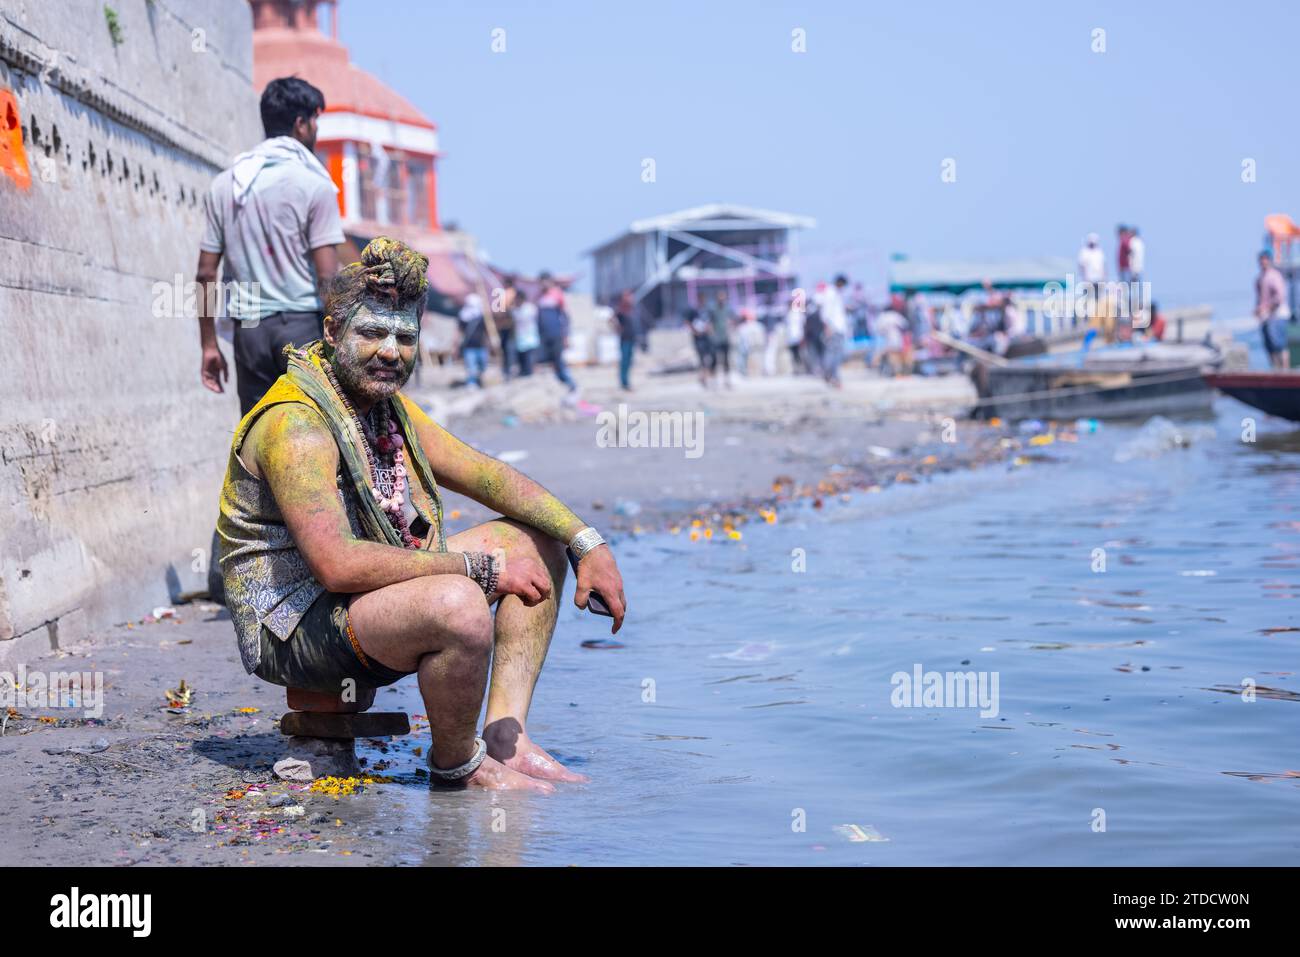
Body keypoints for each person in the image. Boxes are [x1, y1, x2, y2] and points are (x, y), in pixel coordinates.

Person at [217, 238, 627, 792]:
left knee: (535, 544)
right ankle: (457, 762)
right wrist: (478, 573)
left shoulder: (383, 405)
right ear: (333, 332)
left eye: (404, 337)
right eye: (371, 333)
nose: (391, 351)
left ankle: (509, 738)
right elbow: (337, 565)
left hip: (356, 604)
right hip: (293, 627)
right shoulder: (296, 424)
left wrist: (586, 542)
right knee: (459, 605)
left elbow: (485, 474)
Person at [196, 77, 343, 416]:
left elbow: (205, 274)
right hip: (303, 329)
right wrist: (340, 340)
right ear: (301, 124)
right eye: (315, 120)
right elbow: (327, 278)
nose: (317, 129)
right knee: (320, 433)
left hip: (250, 336)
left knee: (259, 443)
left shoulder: (225, 185)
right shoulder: (315, 184)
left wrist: (208, 345)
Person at [536, 272, 577, 393]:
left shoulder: (557, 294)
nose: (543, 284)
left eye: (545, 281)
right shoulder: (539, 297)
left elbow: (565, 317)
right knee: (545, 361)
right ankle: (554, 386)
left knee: (558, 361)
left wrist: (565, 335)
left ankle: (571, 384)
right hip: (543, 335)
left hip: (556, 333)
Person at [1256, 250, 1291, 369]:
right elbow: (1260, 298)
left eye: (1265, 259)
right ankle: (1276, 369)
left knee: (1279, 344)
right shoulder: (1260, 278)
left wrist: (1269, 308)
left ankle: (1284, 370)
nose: (1263, 262)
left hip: (1277, 314)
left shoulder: (1274, 276)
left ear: (1269, 261)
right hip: (1265, 316)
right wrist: (1259, 310)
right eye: (1261, 260)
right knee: (1269, 346)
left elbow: (1280, 296)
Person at [817, 275, 850, 387]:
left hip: (838, 328)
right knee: (833, 354)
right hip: (834, 328)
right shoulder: (830, 293)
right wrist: (827, 327)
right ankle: (831, 375)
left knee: (835, 353)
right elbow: (826, 312)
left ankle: (831, 376)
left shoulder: (835, 293)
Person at [458, 292, 490, 388]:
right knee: (471, 367)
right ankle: (471, 383)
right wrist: (456, 344)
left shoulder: (482, 317)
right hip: (469, 346)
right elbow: (459, 331)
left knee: (482, 366)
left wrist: (490, 342)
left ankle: (479, 380)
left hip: (481, 345)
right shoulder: (463, 316)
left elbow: (487, 330)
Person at [612, 289, 640, 391]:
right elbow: (611, 320)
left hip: (632, 337)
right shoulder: (621, 309)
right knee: (624, 361)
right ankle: (624, 383)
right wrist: (618, 329)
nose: (630, 298)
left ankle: (627, 381)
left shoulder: (631, 309)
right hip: (625, 339)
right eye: (628, 296)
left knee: (629, 361)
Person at [705, 290, 734, 388]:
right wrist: (711, 334)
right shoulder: (712, 308)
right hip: (715, 338)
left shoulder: (728, 308)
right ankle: (713, 380)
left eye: (723, 297)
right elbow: (708, 322)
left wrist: (731, 329)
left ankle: (727, 380)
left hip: (725, 337)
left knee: (726, 359)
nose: (722, 299)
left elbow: (732, 320)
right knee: (714, 360)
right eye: (720, 297)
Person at [493, 280, 517, 379]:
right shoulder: (504, 294)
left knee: (509, 349)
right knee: (506, 349)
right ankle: (507, 370)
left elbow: (506, 310)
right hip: (504, 326)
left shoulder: (510, 293)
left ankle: (509, 369)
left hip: (509, 326)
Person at [512, 287, 539, 376]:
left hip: (530, 336)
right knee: (521, 356)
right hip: (520, 336)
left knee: (529, 356)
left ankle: (529, 372)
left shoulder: (530, 308)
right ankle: (523, 372)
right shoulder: (515, 310)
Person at [785, 290, 806, 373]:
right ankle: (796, 370)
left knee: (800, 354)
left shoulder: (798, 313)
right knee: (793, 355)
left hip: (798, 337)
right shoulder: (788, 314)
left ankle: (802, 369)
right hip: (791, 338)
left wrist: (803, 337)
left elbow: (803, 325)